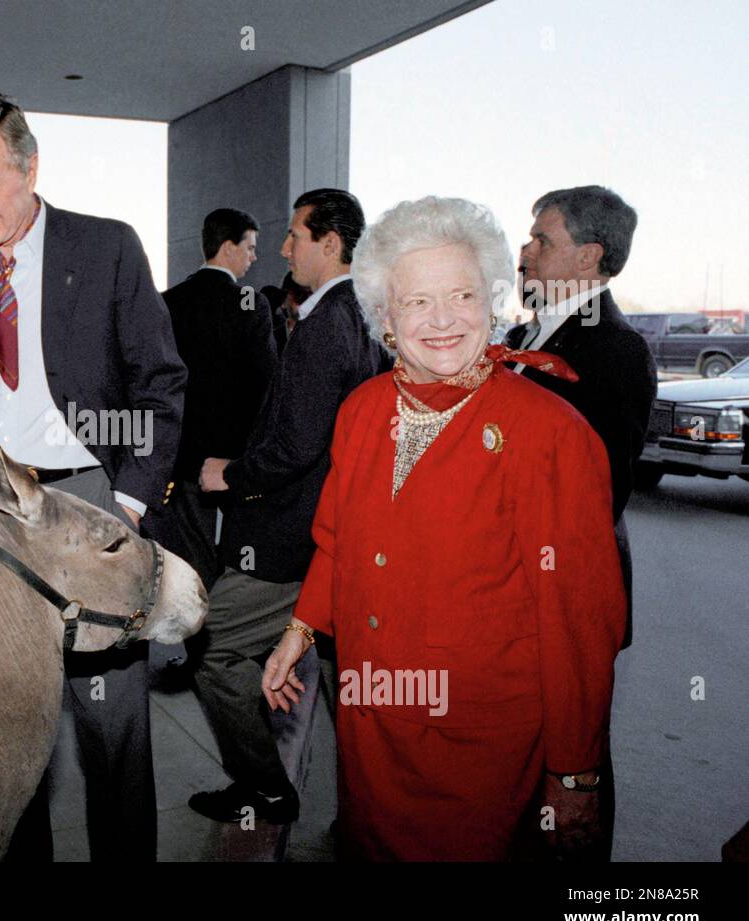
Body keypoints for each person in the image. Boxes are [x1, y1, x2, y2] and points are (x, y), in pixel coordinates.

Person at [265, 196, 625, 861]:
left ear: (490, 302)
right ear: (385, 318)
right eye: (417, 302)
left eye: (461, 295)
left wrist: (575, 773)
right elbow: (338, 539)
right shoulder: (363, 410)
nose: (442, 320)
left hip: (477, 750)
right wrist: (299, 630)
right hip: (370, 726)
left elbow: (577, 620)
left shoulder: (550, 434)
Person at [0, 90, 185, 860]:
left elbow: (160, 382)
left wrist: (126, 504)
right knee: (4, 724)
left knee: (111, 724)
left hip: (88, 498)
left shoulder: (107, 247)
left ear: (30, 166)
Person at [189, 189, 383, 824]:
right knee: (335, 676)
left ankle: (267, 789)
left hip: (291, 539)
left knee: (212, 649)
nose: (282, 248)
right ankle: (367, 808)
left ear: (330, 244)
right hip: (325, 534)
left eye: (295, 235)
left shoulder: (327, 325)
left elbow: (300, 445)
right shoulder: (355, 315)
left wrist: (230, 475)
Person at [510, 186, 656, 649]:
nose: (525, 251)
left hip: (558, 598)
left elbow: (600, 494)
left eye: (542, 241)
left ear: (587, 257)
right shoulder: (521, 336)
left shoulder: (616, 350)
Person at [149, 207, 275, 587]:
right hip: (234, 461)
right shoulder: (251, 303)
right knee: (238, 563)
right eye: (250, 247)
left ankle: (194, 637)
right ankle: (225, 636)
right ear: (227, 247)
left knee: (188, 557)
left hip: (180, 457)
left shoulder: (167, 302)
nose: (254, 257)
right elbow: (267, 385)